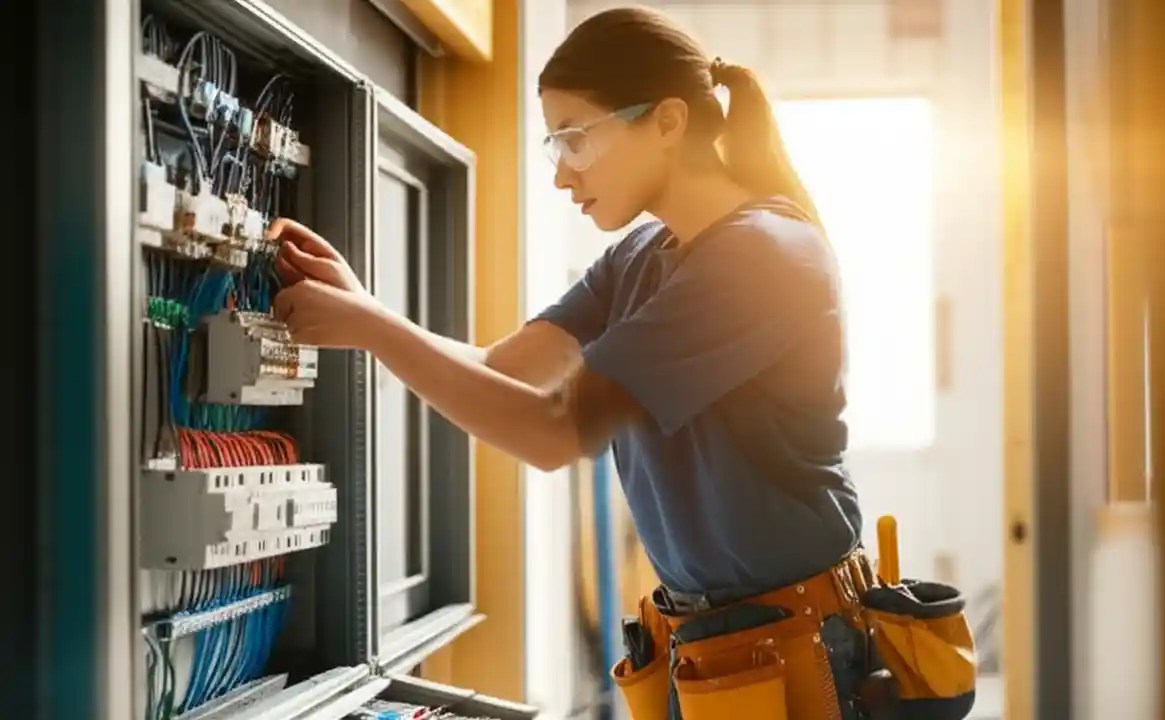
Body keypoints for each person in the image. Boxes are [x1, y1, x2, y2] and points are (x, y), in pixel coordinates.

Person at [271, 6, 871, 718]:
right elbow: (503, 370)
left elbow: (554, 432)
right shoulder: (640, 257)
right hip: (709, 645)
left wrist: (371, 330)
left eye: (575, 140)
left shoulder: (763, 255)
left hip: (798, 650)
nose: (561, 175)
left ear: (669, 122)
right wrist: (366, 307)